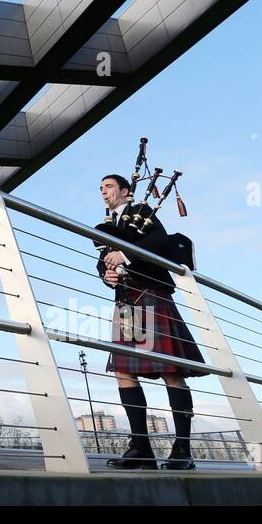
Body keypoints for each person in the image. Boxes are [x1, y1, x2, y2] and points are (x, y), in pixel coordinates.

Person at [94, 174, 207, 470]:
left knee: (170, 370)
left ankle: (183, 451)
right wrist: (107, 276)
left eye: (108, 186)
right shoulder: (108, 226)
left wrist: (125, 255)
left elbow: (158, 242)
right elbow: (102, 261)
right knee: (123, 371)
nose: (103, 191)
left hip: (152, 293)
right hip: (126, 300)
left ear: (125, 191)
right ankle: (141, 450)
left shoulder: (142, 213)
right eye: (101, 188)